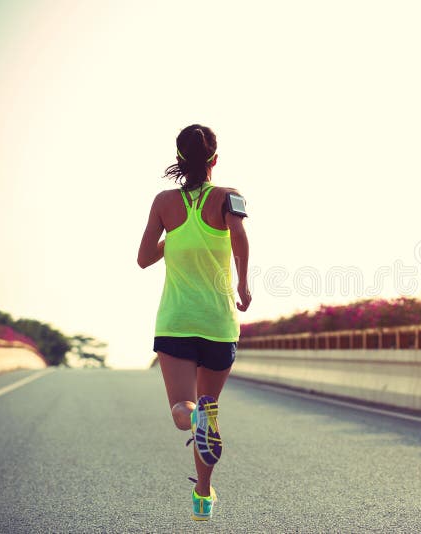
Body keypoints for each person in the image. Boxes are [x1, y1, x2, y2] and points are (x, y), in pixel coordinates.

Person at [137, 124, 251, 521]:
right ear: (214, 160)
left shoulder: (163, 202)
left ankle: (195, 420)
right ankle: (203, 493)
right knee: (210, 405)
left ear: (180, 160)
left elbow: (144, 257)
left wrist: (176, 235)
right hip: (219, 324)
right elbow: (239, 234)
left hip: (175, 324)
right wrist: (244, 283)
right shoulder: (229, 197)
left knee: (182, 409)